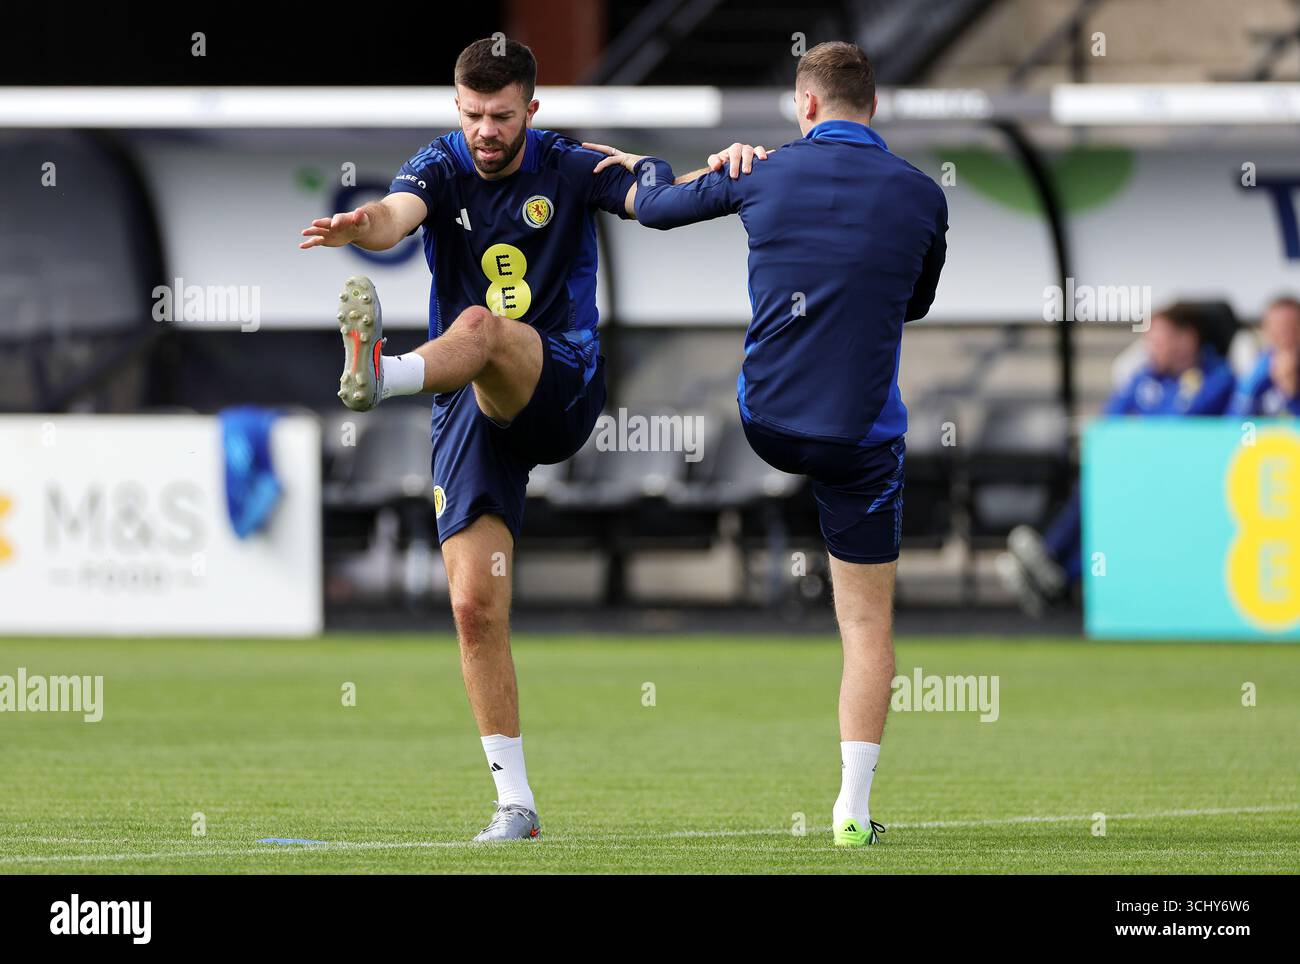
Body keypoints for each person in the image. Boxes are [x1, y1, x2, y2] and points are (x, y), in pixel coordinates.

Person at [299, 37, 755, 842]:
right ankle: (516, 804)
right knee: (474, 606)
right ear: (457, 108)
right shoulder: (439, 167)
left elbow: (659, 201)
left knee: (480, 324)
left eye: (500, 115)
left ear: (530, 111)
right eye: (471, 113)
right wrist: (356, 226)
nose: (484, 128)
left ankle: (382, 375)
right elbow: (392, 219)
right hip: (472, 408)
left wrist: (724, 166)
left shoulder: (567, 164)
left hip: (561, 380)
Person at [584, 40, 948, 846]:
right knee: (865, 627)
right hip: (858, 438)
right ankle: (851, 812)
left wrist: (650, 164)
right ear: (873, 106)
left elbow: (653, 208)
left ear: (804, 104)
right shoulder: (922, 196)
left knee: (785, 378)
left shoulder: (761, 170)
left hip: (769, 422)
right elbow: (914, 302)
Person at [1000, 302, 1237, 615]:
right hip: (1138, 478)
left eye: (1159, 339)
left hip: (1186, 488)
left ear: (1187, 339)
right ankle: (1053, 569)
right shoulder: (1146, 376)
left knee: (1112, 498)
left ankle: (1050, 564)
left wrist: (1140, 427)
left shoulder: (1216, 376)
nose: (1151, 348)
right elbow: (1109, 423)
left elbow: (1177, 426)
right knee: (1103, 488)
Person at [1229, 296, 1300, 417]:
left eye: (1291, 326)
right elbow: (1234, 422)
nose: (1285, 334)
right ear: (1265, 330)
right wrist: (1250, 389)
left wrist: (1291, 395)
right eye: (1278, 326)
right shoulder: (1256, 370)